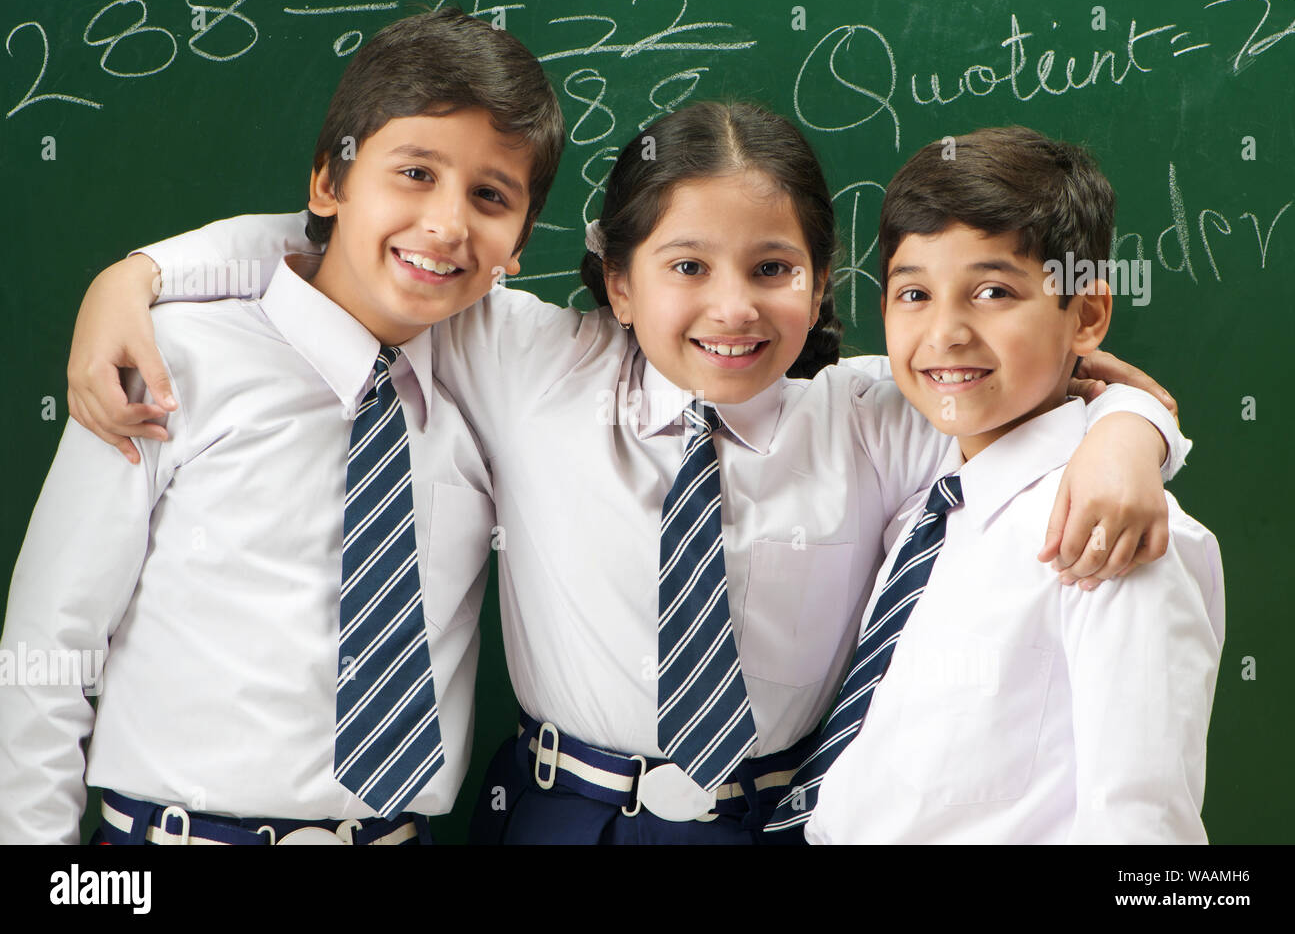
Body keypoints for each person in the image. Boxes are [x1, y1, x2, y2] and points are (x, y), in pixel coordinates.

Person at [57, 103, 1186, 844]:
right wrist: (138, 273)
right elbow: (358, 248)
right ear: (617, 284)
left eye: (774, 268)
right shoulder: (531, 360)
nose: (732, 308)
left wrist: (1135, 422)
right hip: (556, 811)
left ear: (826, 282)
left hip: (777, 817)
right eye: (686, 266)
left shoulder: (866, 415)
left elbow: (1031, 393)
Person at [0, 7, 565, 844]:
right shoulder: (168, 359)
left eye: (490, 196)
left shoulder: (498, 381)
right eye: (414, 173)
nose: (448, 222)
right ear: (328, 184)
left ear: (518, 241)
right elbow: (48, 648)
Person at [780, 127, 1224, 843]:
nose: (947, 331)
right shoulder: (927, 511)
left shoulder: (1112, 540)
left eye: (993, 291)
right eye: (914, 293)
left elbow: (1145, 834)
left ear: (1087, 314)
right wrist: (1133, 416)